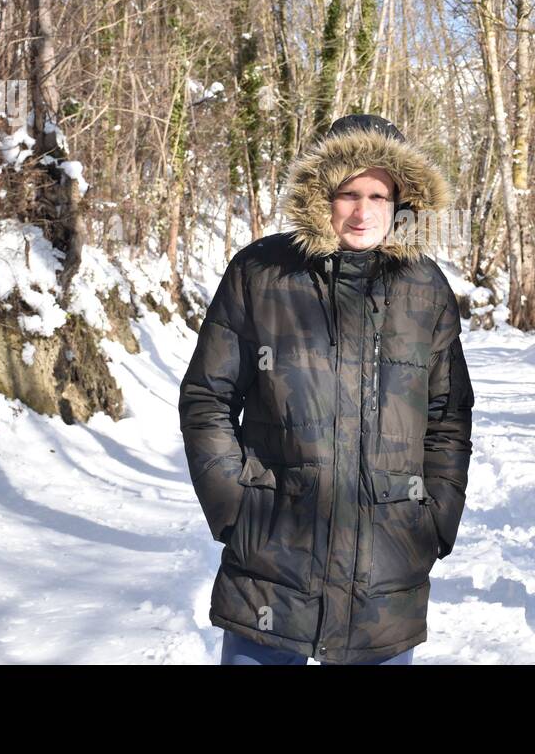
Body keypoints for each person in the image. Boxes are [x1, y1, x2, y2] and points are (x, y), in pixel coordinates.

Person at [179, 113, 475, 665]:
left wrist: (433, 519)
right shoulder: (261, 273)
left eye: (379, 196)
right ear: (321, 196)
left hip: (386, 572)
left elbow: (448, 415)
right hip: (271, 563)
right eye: (347, 194)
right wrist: (235, 510)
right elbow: (207, 397)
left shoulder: (424, 287)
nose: (363, 212)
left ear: (401, 202)